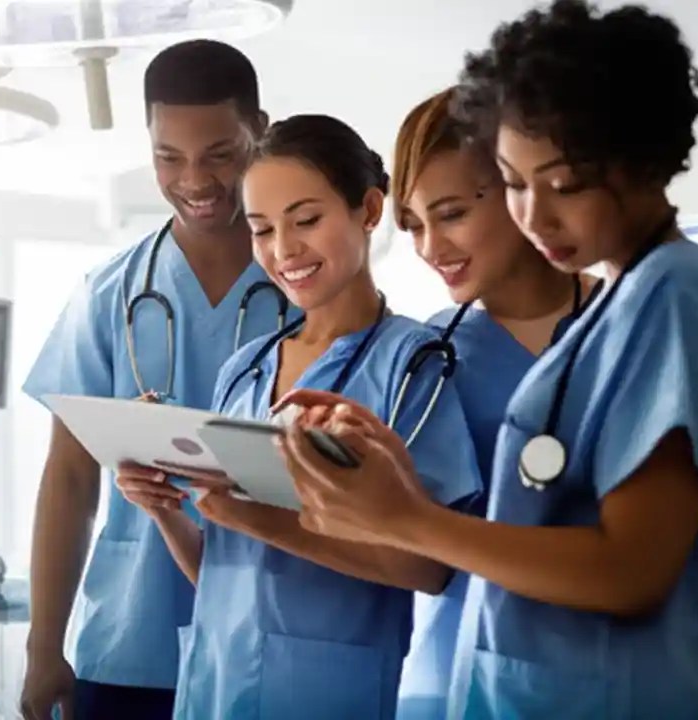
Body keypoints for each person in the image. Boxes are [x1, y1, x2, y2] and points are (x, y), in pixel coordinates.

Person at [278, 2, 698, 718]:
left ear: (642, 157)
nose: (534, 214)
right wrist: (388, 465)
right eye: (514, 183)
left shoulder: (678, 295)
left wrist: (410, 518)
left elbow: (630, 569)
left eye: (563, 184)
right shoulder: (621, 305)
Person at [115, 114, 479, 720]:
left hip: (330, 693)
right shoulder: (245, 368)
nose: (283, 252)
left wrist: (260, 518)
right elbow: (227, 576)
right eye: (261, 230)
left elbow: (428, 566)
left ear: (367, 210)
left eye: (306, 220)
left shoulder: (412, 365)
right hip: (214, 685)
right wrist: (164, 507)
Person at [18, 39, 293, 720]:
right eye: (169, 157)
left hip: (273, 636)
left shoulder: (304, 288)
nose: (194, 180)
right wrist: (43, 647)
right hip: (130, 643)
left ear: (260, 132)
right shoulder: (109, 293)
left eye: (220, 155)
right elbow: (70, 477)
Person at [388, 88, 599, 720]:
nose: (430, 247)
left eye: (449, 213)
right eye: (414, 224)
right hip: (461, 676)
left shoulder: (635, 328)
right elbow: (420, 555)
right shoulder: (427, 357)